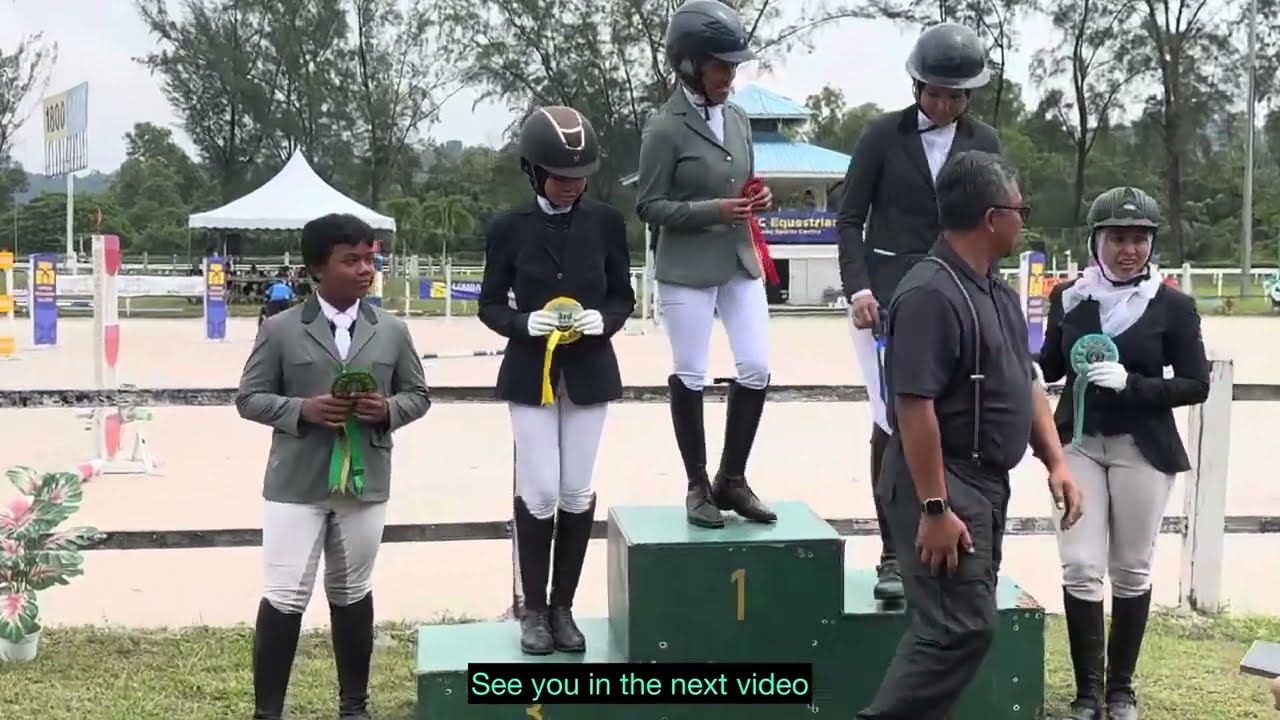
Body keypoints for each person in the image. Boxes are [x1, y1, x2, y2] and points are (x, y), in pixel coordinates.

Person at [857, 151, 1082, 720]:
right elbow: (912, 408)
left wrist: (1054, 461)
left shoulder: (996, 294)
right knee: (954, 630)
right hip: (941, 482)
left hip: (981, 485)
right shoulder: (929, 295)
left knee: (959, 626)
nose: (1022, 219)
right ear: (991, 217)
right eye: (1019, 208)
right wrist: (934, 507)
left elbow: (1024, 381)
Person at [235, 213, 432, 720]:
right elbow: (250, 398)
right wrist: (301, 411)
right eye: (352, 260)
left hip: (365, 483)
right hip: (295, 484)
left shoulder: (392, 330)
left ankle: (354, 707)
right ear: (317, 269)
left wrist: (387, 410)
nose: (365, 269)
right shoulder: (279, 329)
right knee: (283, 595)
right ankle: (267, 712)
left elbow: (418, 395)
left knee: (352, 591)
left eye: (369, 258)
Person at [835, 21, 1003, 601]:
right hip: (882, 301)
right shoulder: (882, 135)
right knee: (891, 421)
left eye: (956, 95)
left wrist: (989, 295)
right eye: (935, 92)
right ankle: (890, 549)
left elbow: (992, 222)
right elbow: (850, 217)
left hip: (954, 299)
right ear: (916, 86)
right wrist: (857, 289)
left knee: (952, 418)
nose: (945, 103)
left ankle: (961, 537)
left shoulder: (985, 143)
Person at [1036, 187, 1209, 720]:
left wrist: (1132, 383)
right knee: (1081, 565)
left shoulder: (1174, 306)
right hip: (1079, 444)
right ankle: (1088, 692)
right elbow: (1050, 366)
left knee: (1131, 568)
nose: (1128, 249)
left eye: (1139, 239)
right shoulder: (1068, 297)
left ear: (1150, 243)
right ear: (1096, 241)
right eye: (1117, 238)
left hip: (1142, 447)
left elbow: (1195, 384)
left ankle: (1121, 690)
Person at [477, 105, 636, 656]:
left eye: (581, 176)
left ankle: (564, 606)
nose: (573, 185)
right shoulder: (508, 229)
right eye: (562, 176)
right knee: (540, 490)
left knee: (576, 490)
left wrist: (605, 320)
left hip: (590, 368)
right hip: (530, 372)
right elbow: (490, 305)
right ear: (534, 171)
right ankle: (534, 610)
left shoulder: (607, 223)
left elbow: (623, 295)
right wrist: (525, 324)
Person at [636, 0, 777, 529]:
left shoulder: (738, 120)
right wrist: (710, 211)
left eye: (734, 66)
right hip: (687, 265)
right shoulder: (663, 128)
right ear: (690, 64)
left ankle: (732, 479)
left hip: (738, 259)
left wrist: (756, 198)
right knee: (691, 373)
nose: (731, 76)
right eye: (722, 66)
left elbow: (743, 181)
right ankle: (697, 485)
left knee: (757, 366)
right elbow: (649, 206)